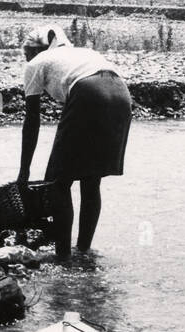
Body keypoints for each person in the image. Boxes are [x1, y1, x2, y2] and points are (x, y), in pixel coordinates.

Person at [18, 25, 132, 260]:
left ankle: (62, 258)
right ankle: (83, 250)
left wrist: (24, 172)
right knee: (91, 180)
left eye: (26, 53)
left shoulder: (36, 63)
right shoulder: (82, 53)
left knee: (58, 182)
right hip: (121, 95)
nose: (25, 59)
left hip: (88, 93)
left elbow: (32, 121)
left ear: (34, 50)